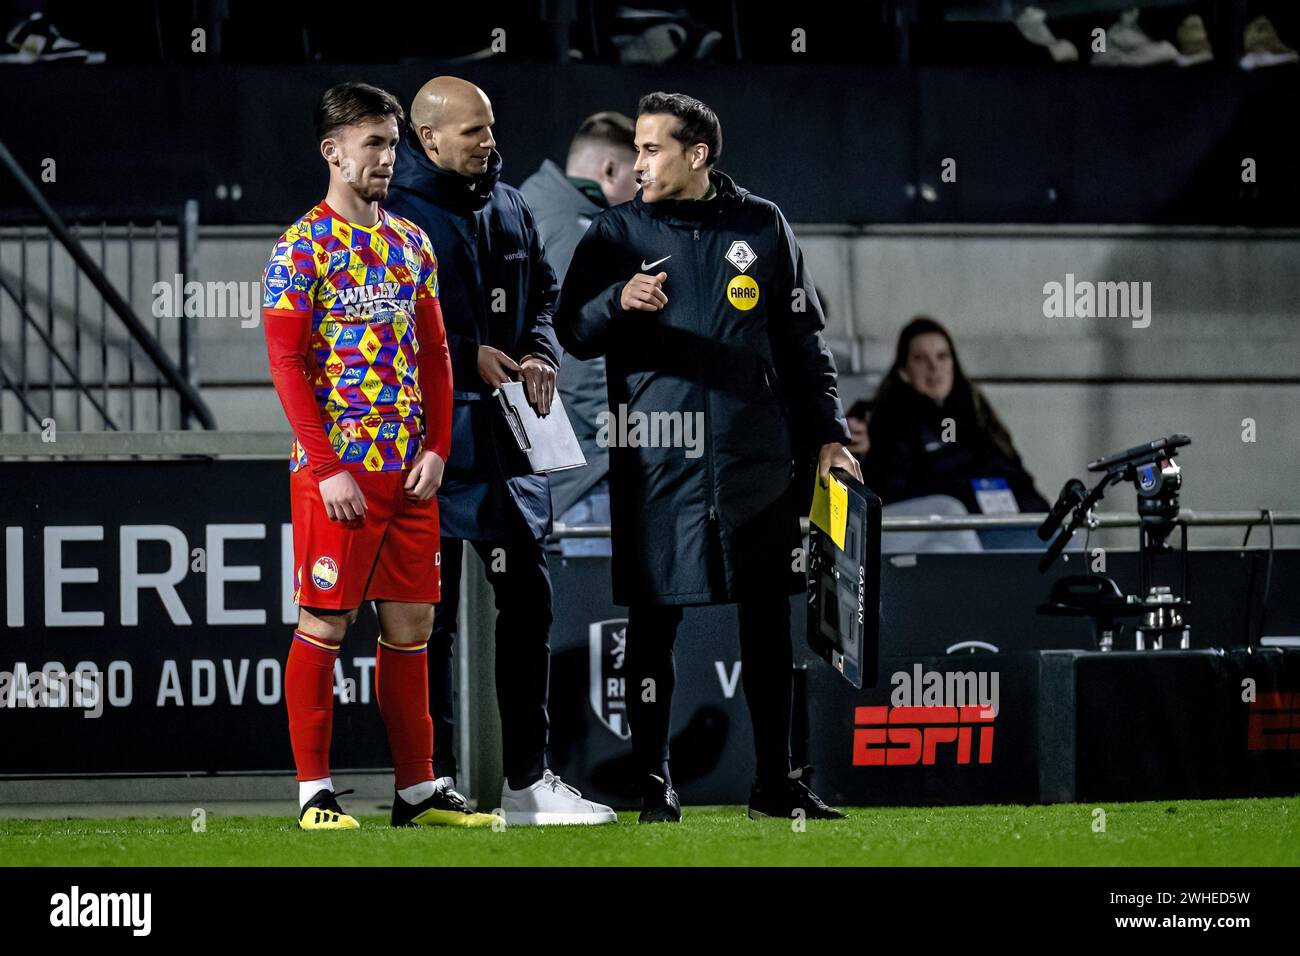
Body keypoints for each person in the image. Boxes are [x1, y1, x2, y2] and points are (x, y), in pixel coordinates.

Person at [555, 91, 860, 823]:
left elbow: (804, 345)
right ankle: (653, 784)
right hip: (656, 465)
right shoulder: (616, 231)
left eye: (651, 148)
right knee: (652, 627)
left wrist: (830, 435)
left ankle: (775, 783)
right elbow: (571, 329)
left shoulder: (763, 224)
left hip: (756, 466)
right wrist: (616, 301)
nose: (638, 162)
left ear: (696, 156)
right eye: (635, 148)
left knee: (769, 626)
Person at [262, 81, 498, 830]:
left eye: (393, 144)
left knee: (412, 629)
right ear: (332, 152)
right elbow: (285, 364)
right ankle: (314, 794)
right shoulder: (300, 248)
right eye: (373, 144)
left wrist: (438, 448)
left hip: (410, 474)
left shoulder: (409, 243)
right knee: (325, 626)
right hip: (340, 475)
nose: (387, 158)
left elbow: (436, 355)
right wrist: (327, 466)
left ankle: (417, 792)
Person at [385, 76, 615, 825]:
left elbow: (545, 295)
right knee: (426, 623)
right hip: (427, 452)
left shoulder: (511, 204)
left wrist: (540, 350)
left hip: (510, 448)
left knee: (529, 604)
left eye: (490, 127)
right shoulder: (393, 217)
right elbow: (380, 330)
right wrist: (466, 357)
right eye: (472, 132)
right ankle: (426, 786)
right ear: (428, 139)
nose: (489, 142)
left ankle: (527, 783)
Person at [520, 111, 639, 556]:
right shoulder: (576, 231)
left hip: (548, 465)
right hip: (584, 473)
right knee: (597, 594)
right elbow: (581, 353)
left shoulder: (532, 205)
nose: (644, 194)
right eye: (638, 179)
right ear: (609, 169)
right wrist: (613, 443)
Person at [862, 315, 1050, 549]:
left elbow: (1018, 479)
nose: (934, 367)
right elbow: (893, 489)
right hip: (930, 531)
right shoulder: (889, 418)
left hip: (994, 524)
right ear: (904, 372)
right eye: (920, 359)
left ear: (953, 364)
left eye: (942, 356)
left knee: (1060, 535)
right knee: (949, 520)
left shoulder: (976, 412)